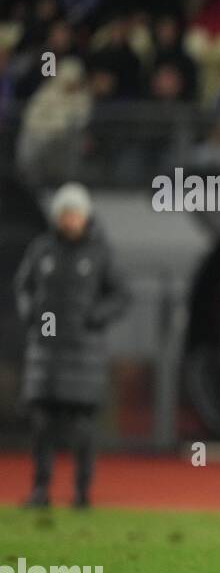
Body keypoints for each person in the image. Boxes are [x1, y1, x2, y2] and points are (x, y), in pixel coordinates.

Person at [14, 183, 131, 508]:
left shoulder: (99, 254)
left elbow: (121, 295)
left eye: (76, 213)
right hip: (46, 352)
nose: (71, 219)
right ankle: (41, 489)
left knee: (82, 428)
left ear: (86, 216)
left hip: (83, 355)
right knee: (41, 424)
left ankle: (82, 492)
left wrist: (94, 318)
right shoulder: (42, 250)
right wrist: (32, 315)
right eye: (66, 213)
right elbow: (23, 287)